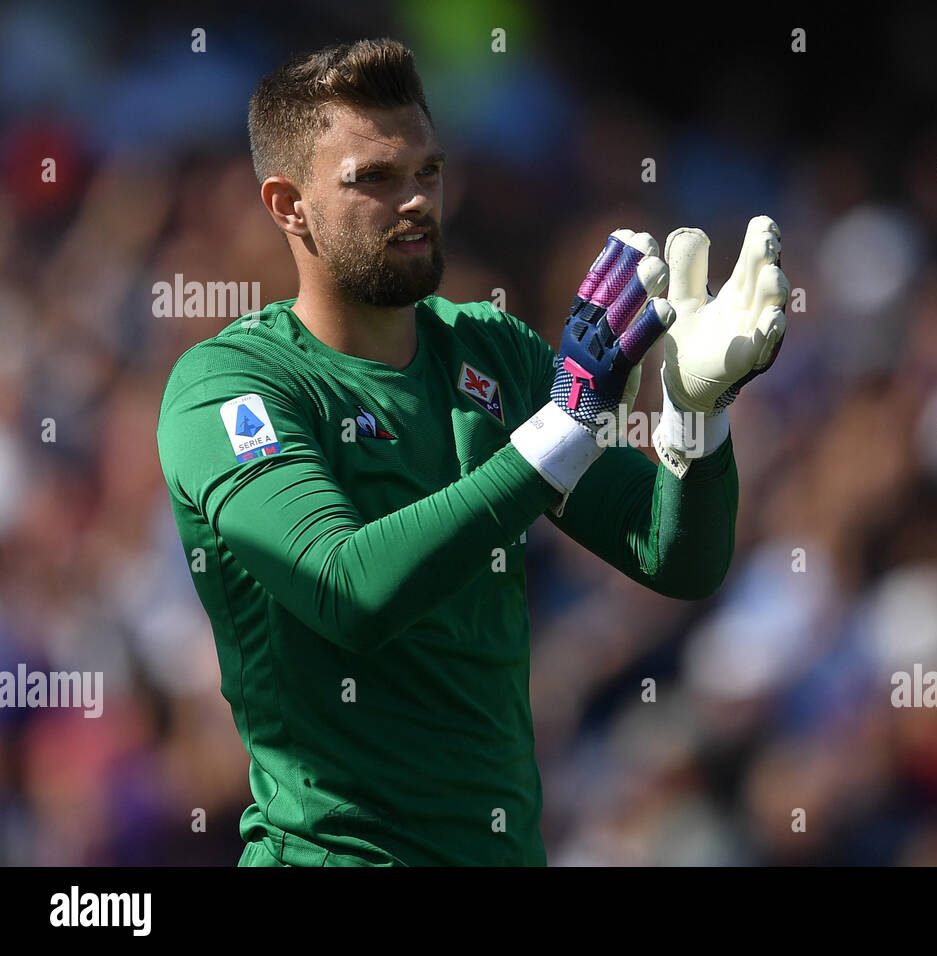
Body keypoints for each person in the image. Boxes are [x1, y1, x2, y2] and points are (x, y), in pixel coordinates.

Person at [155, 37, 788, 866]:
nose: (415, 200)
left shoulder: (491, 350)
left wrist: (696, 416)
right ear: (288, 205)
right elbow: (350, 591)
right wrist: (563, 427)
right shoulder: (229, 385)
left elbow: (676, 558)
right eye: (374, 179)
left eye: (428, 171)